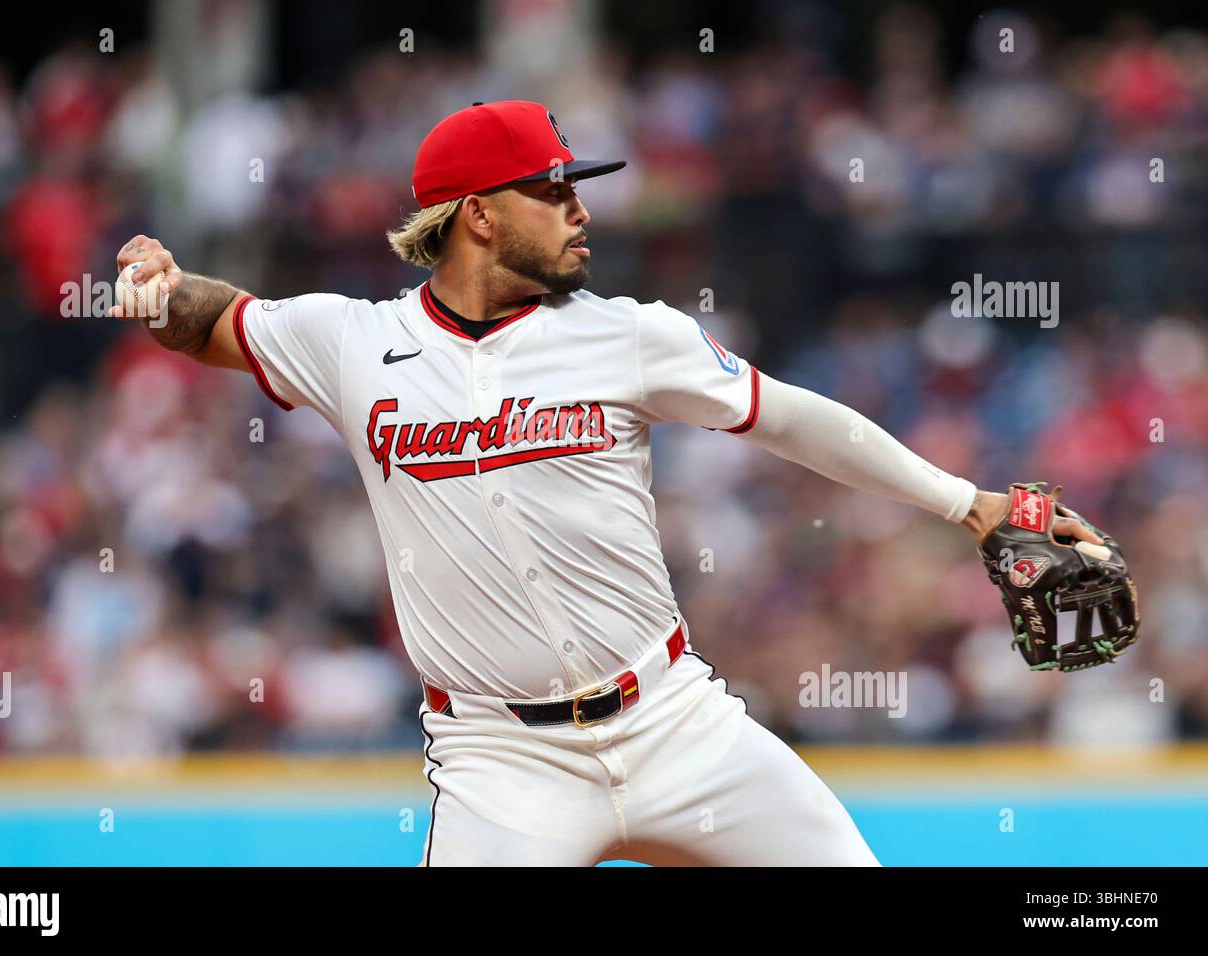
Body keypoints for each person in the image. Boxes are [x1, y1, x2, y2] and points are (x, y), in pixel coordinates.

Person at [110, 100, 1103, 866]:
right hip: (502, 761)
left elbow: (797, 417)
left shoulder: (629, 333)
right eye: (552, 191)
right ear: (480, 216)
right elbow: (221, 319)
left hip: (675, 719)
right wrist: (158, 285)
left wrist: (964, 502)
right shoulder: (353, 343)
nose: (581, 208)